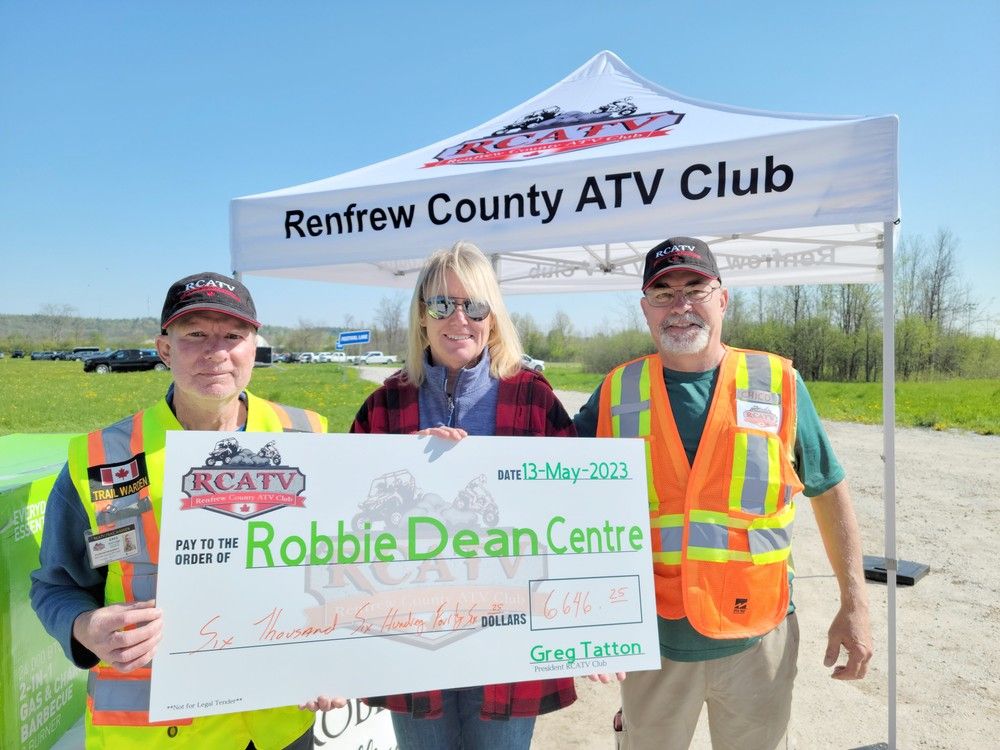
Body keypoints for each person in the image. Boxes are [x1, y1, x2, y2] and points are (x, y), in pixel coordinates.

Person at [573, 237, 873, 750]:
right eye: (663, 294)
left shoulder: (778, 382)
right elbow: (545, 486)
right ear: (646, 309)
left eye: (695, 288)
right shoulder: (616, 390)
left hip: (758, 639)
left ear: (723, 298)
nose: (680, 305)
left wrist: (856, 603)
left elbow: (828, 489)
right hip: (654, 643)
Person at [30, 272, 328, 749]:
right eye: (194, 335)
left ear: (255, 347)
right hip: (154, 730)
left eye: (233, 336)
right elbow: (55, 586)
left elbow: (344, 562)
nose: (216, 352)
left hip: (276, 719)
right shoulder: (103, 459)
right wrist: (84, 627)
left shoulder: (309, 439)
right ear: (164, 349)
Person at [349, 241, 577, 749]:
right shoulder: (385, 407)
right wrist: (395, 469)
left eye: (474, 305)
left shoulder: (533, 399)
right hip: (410, 642)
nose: (459, 318)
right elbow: (345, 527)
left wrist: (592, 629)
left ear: (493, 319)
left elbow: (573, 517)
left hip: (509, 641)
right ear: (421, 317)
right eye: (441, 304)